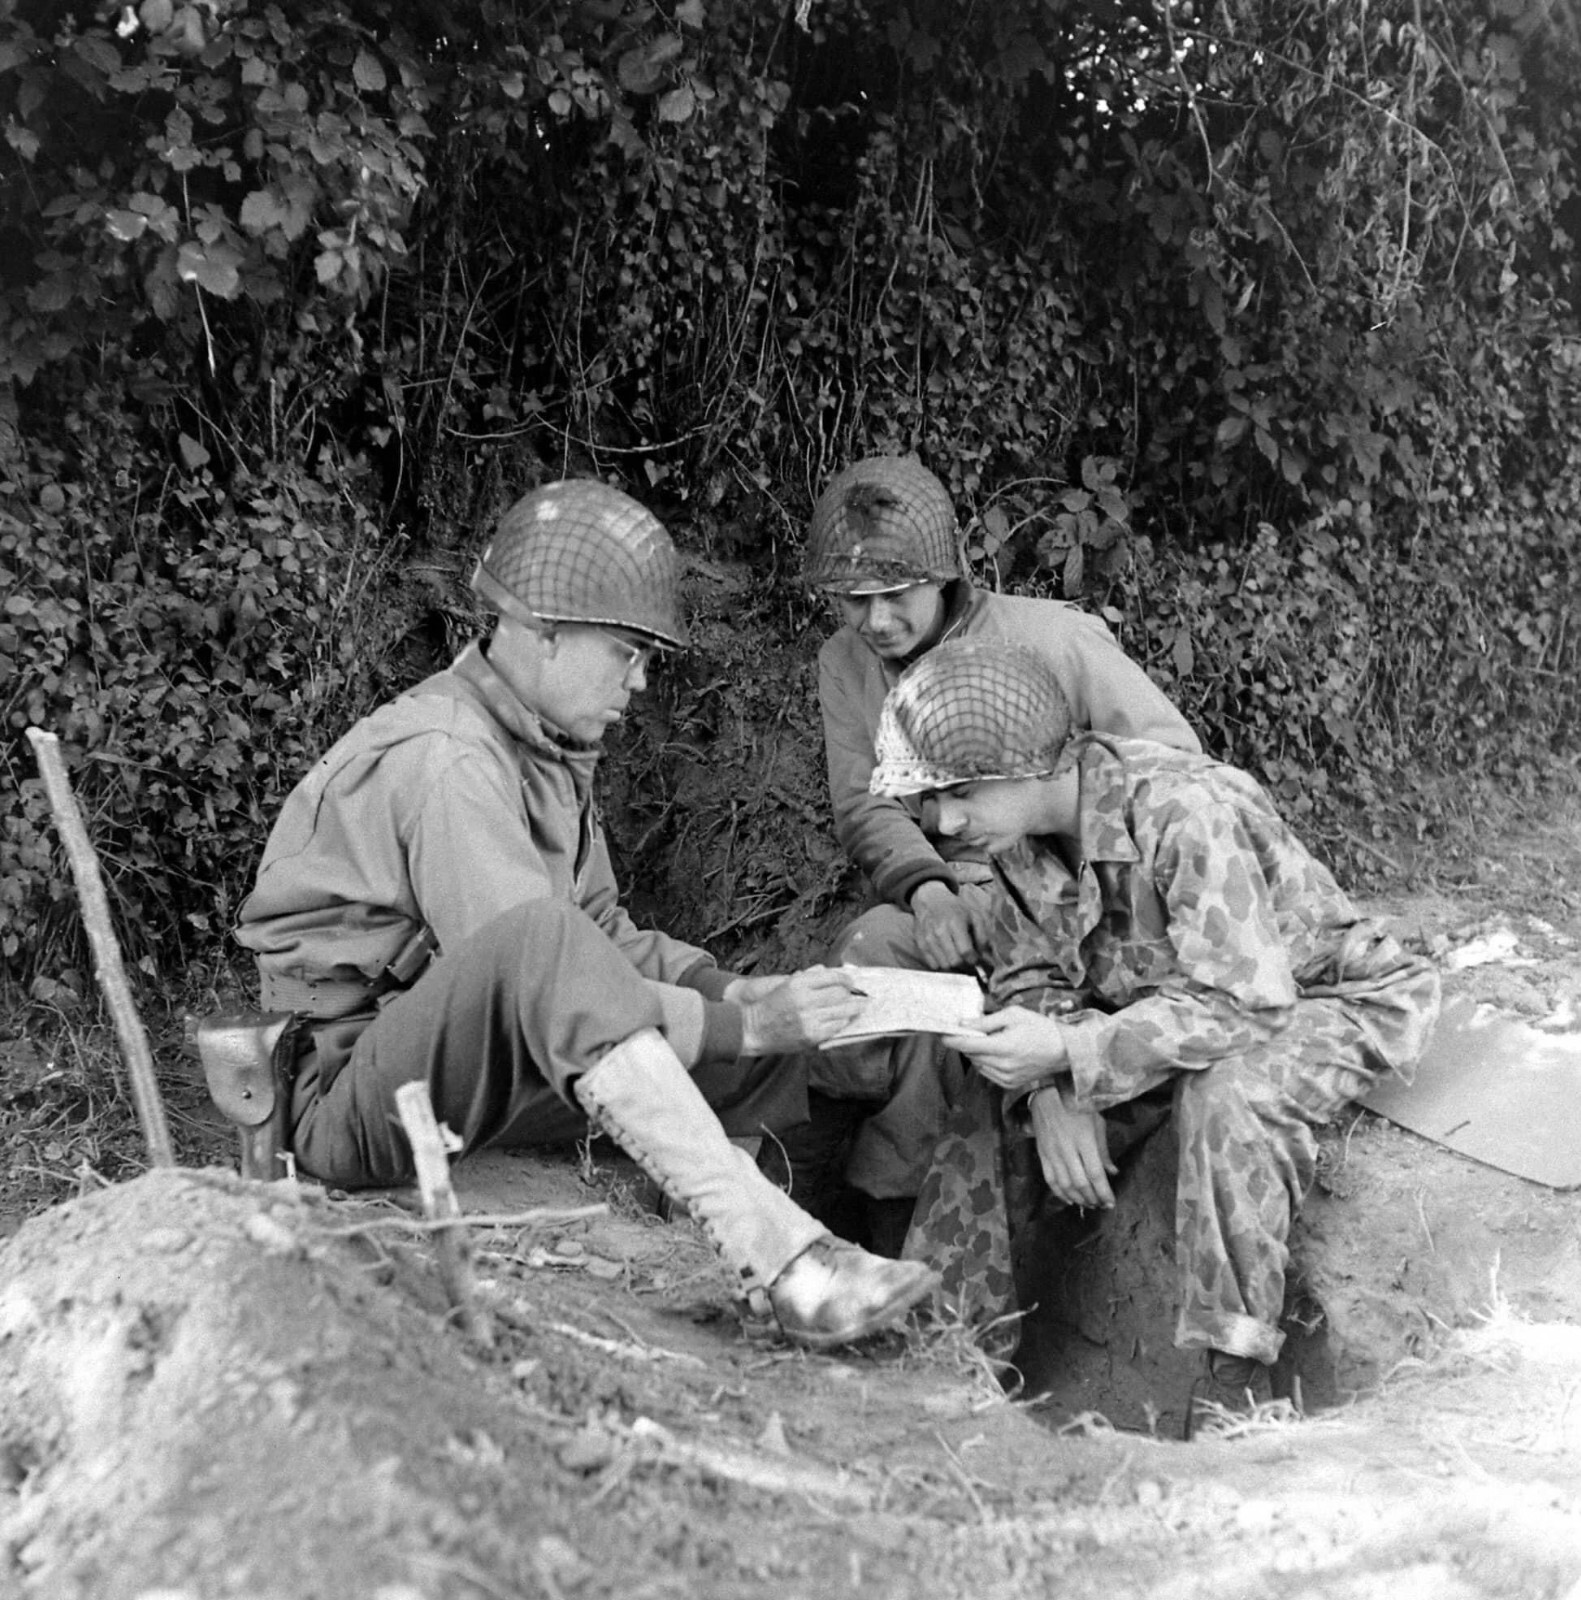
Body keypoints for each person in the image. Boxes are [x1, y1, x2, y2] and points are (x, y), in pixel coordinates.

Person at [233, 479, 937, 1349]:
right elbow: (541, 973)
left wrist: (742, 996)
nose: (639, 683)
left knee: (763, 1050)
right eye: (624, 652)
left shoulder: (541, 745)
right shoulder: (449, 760)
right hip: (346, 1097)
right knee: (620, 981)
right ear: (543, 631)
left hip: (456, 1073)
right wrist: (737, 1026)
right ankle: (785, 1258)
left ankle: (746, 1257)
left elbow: (602, 933)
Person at [864, 637, 1440, 1427]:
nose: (942, 820)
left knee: (1229, 1094)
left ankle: (1234, 1380)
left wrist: (1071, 1053)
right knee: (990, 1099)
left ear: (1035, 763)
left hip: (1323, 997)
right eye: (927, 800)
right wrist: (1048, 1091)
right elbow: (1032, 972)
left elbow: (1248, 1004)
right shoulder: (1004, 842)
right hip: (1168, 1008)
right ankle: (936, 1361)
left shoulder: (1180, 809)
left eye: (958, 790)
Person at [788, 454, 1204, 1251]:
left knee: (948, 1029)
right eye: (852, 601)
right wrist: (925, 888)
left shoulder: (1054, 638)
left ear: (944, 578)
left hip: (1076, 898)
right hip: (950, 888)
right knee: (874, 970)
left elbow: (1170, 764)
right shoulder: (844, 666)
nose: (875, 622)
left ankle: (897, 1233)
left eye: (895, 595)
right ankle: (813, 1204)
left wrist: (1082, 881)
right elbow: (865, 800)